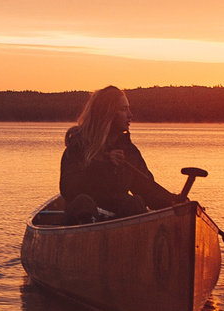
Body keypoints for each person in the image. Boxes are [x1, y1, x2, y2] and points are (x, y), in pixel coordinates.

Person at [60, 86, 184, 223]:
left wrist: (173, 201)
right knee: (83, 202)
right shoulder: (77, 148)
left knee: (134, 202)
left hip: (117, 220)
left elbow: (146, 190)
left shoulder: (129, 151)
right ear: (107, 114)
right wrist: (104, 166)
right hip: (82, 218)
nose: (130, 115)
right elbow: (68, 189)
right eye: (124, 109)